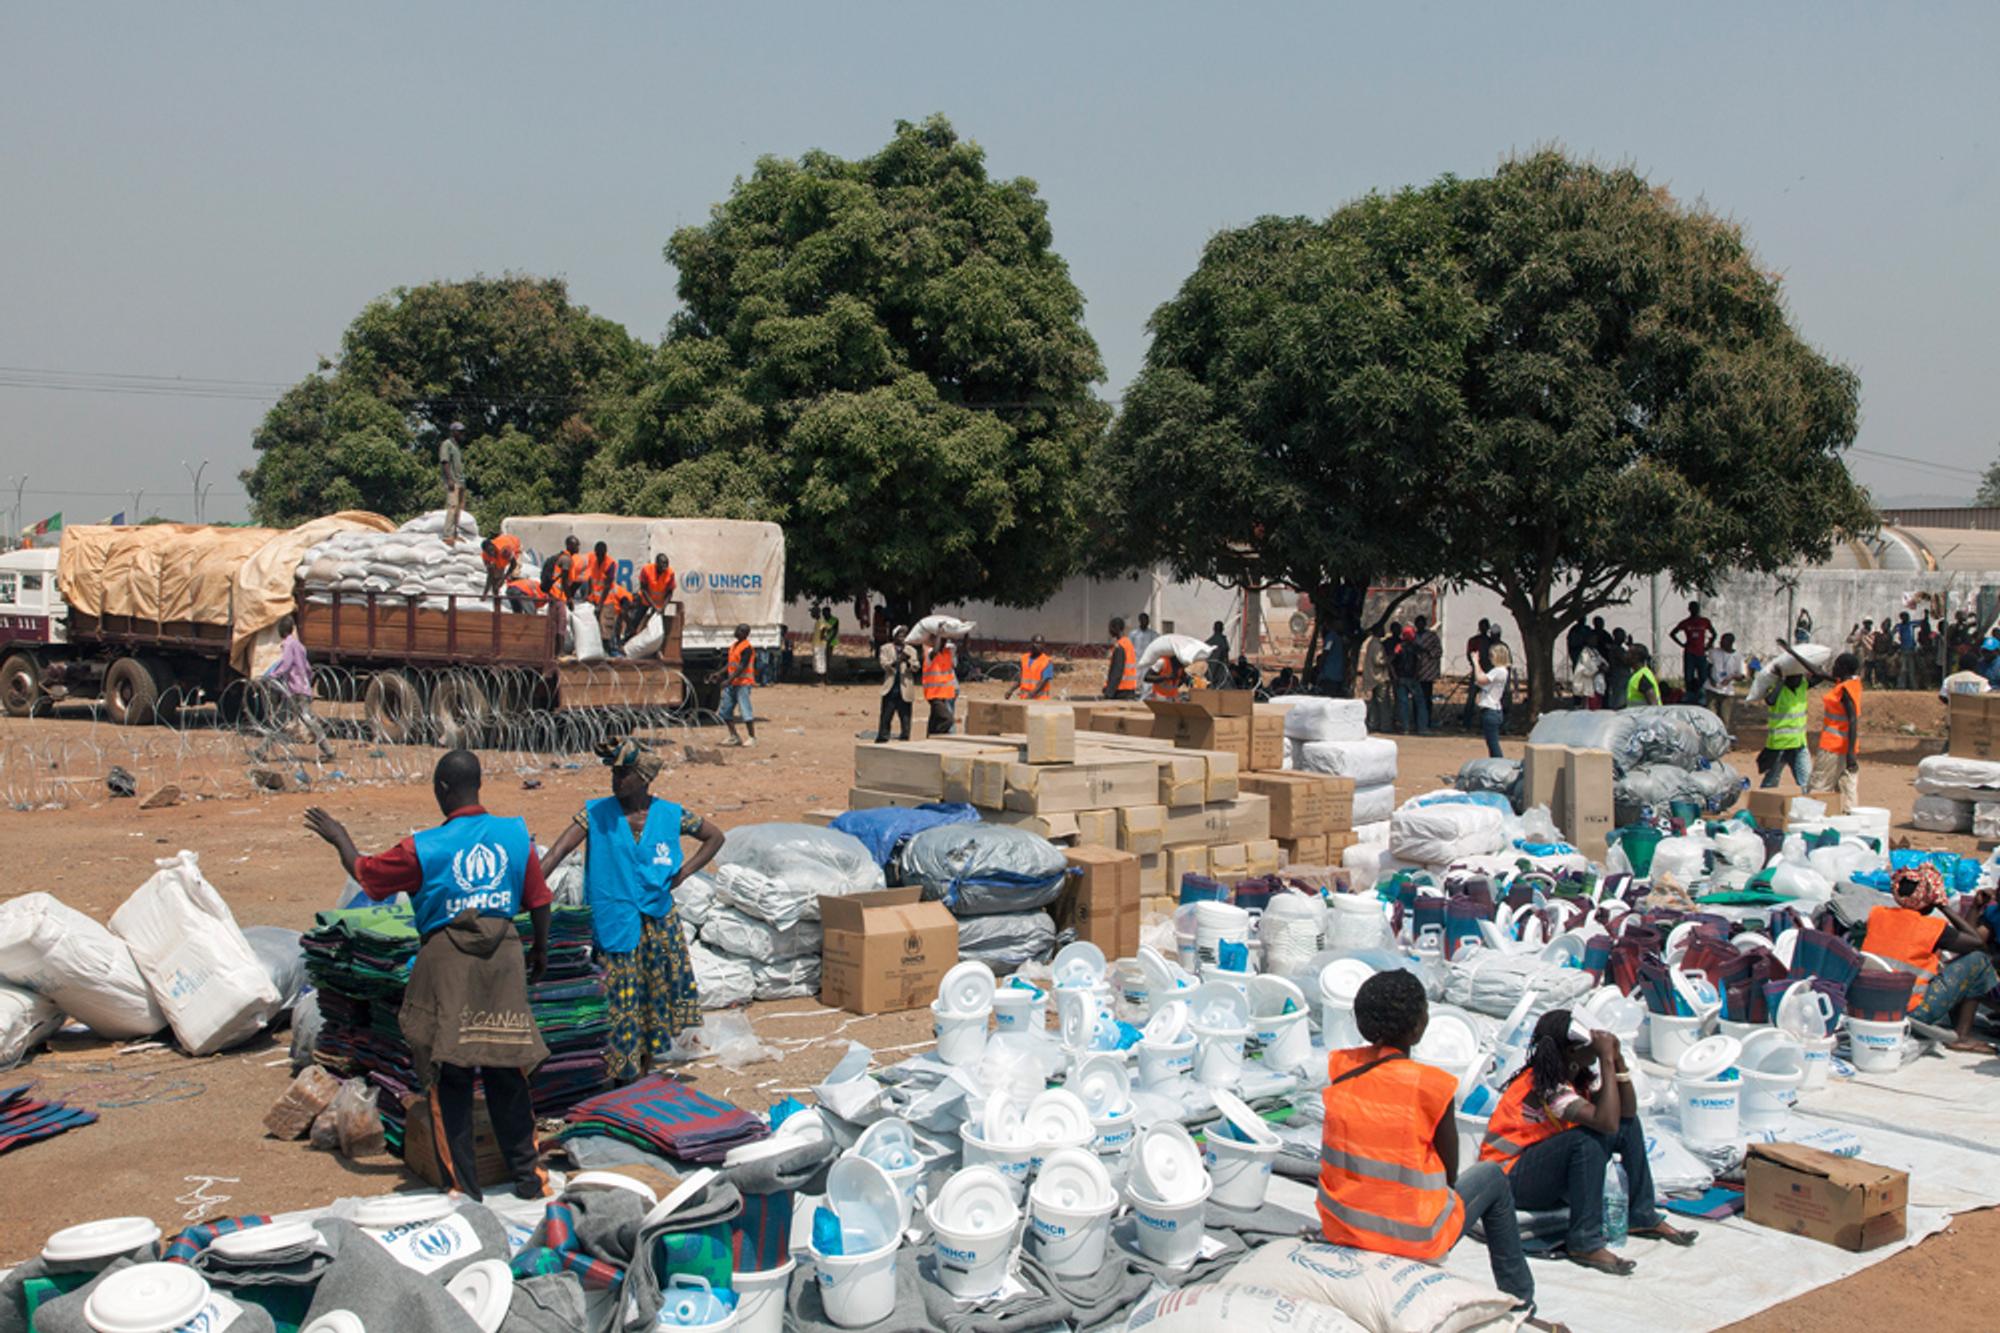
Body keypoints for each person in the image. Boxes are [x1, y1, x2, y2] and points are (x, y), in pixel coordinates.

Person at [304, 750, 552, 1201]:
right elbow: (539, 899)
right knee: (507, 1068)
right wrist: (540, 952)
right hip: (504, 959)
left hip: (448, 963)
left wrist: (340, 838)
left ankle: (465, 1188)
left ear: (441, 790)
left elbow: (366, 874)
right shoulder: (516, 834)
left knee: (449, 1071)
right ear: (479, 784)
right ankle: (528, 1179)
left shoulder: (424, 848)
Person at [1319, 971, 1537, 1316]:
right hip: (1411, 1238)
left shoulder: (1341, 1070)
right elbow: (1448, 1178)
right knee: (1492, 1176)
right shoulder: (1432, 1087)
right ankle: (1522, 1303)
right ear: (1419, 1026)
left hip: (1342, 1226)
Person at [540, 738, 724, 1081]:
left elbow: (715, 837)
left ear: (643, 778)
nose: (615, 780)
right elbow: (557, 853)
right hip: (615, 922)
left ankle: (641, 1071)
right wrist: (530, 890)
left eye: (623, 774)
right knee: (617, 1004)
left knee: (652, 1001)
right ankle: (619, 1078)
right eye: (614, 773)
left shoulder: (671, 814)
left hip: (658, 922)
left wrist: (684, 873)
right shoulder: (595, 813)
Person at [1480, 1010, 1695, 1275]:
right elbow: (1606, 1123)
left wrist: (1618, 1063)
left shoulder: (1575, 1077)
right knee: (1586, 1139)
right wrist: (1605, 1058)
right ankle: (1583, 1240)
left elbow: (1625, 1114)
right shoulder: (1545, 1085)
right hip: (1508, 1176)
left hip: (1537, 1170)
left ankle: (1642, 1215)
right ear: (1571, 1052)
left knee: (1629, 1126)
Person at [1862, 864, 1998, 1053]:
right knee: (1978, 961)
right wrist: (1944, 907)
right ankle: (1962, 1036)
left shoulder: (1878, 915)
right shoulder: (1931, 928)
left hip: (1868, 1002)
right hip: (1912, 1012)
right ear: (1931, 900)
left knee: (1954, 964)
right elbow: (1976, 944)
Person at [259, 614, 335, 762]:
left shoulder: (288, 645)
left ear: (281, 631)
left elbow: (286, 665)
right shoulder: (300, 646)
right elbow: (307, 668)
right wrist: (306, 682)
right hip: (304, 688)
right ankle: (328, 750)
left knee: (281, 721)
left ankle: (261, 751)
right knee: (306, 719)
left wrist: (272, 676)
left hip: (293, 690)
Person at [1810, 650, 1863, 807]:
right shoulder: (1850, 684)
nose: (1833, 668)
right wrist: (1792, 653)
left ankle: (1813, 820)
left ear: (1844, 668)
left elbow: (1852, 720)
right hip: (1844, 748)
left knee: (1820, 786)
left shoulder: (1845, 690)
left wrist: (1851, 755)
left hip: (1833, 747)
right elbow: (1819, 672)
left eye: (1836, 665)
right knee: (1846, 787)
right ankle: (1850, 818)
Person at [1757, 655, 1813, 791]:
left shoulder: (1802, 686)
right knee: (1771, 781)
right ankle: (1762, 808)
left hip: (1799, 744)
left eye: (1801, 675)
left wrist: (1801, 660)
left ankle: (1808, 808)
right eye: (1796, 676)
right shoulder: (1776, 689)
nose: (1799, 679)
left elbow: (1820, 675)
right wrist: (1780, 680)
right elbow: (1770, 701)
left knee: (1806, 781)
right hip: (1779, 746)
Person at [713, 623, 757, 747]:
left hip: (743, 683)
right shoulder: (734, 646)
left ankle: (752, 737)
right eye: (737, 629)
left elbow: (742, 666)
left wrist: (729, 680)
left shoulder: (747, 648)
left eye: (740, 630)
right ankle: (734, 736)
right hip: (733, 683)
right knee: (725, 710)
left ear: (746, 634)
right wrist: (719, 673)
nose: (737, 631)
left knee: (745, 710)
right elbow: (731, 664)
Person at [876, 625, 921, 742]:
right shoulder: (885, 648)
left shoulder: (911, 650)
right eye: (900, 635)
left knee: (906, 718)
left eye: (904, 635)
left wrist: (908, 662)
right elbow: (884, 665)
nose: (902, 638)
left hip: (905, 690)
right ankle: (882, 739)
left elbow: (916, 667)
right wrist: (897, 661)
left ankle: (905, 739)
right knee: (886, 716)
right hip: (890, 689)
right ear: (894, 636)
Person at [1473, 644, 1511, 759]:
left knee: (1493, 743)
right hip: (1493, 710)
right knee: (1491, 743)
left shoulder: (1499, 671)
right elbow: (1481, 677)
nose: (1490, 658)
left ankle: (1499, 766)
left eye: (1492, 656)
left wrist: (1475, 663)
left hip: (1491, 711)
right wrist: (1477, 663)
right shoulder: (1500, 671)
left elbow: (1480, 679)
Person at [1669, 602, 1713, 701]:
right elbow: (1672, 633)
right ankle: (1690, 695)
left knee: (1703, 676)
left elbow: (1714, 633)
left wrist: (1709, 645)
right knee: (1689, 676)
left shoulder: (1705, 621)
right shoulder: (1685, 622)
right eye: (1692, 608)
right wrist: (1682, 644)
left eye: (1696, 608)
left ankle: (1702, 695)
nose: (1695, 610)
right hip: (1689, 653)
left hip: (1701, 653)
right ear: (1689, 609)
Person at [1705, 632, 1745, 724]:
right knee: (1710, 716)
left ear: (1730, 643)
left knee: (1724, 717)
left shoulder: (1738, 656)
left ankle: (1723, 736)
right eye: (1721, 641)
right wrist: (1711, 679)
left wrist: (1731, 678)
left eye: (1724, 641)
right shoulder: (1714, 652)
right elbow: (1708, 666)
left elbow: (1742, 675)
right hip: (1712, 688)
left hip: (1727, 691)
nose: (1721, 643)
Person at [439, 421, 468, 544]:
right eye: (459, 431)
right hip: (453, 481)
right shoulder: (447, 444)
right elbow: (445, 462)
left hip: (460, 481)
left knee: (459, 509)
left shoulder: (456, 446)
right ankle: (447, 535)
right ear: (453, 432)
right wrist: (449, 479)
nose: (461, 434)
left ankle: (455, 533)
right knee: (452, 506)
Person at [1411, 615, 1442, 735]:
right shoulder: (1413, 637)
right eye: (1417, 623)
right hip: (1415, 673)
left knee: (1426, 699)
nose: (1419, 625)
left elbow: (1438, 651)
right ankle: (1416, 722)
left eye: (1421, 623)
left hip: (1428, 673)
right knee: (1415, 700)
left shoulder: (1432, 636)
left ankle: (1427, 721)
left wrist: (1426, 651)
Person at [923, 637, 959, 735]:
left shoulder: (946, 654)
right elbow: (935, 651)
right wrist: (939, 633)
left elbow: (954, 650)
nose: (943, 643)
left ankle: (930, 736)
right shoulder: (930, 654)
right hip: (933, 695)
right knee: (948, 719)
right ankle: (937, 735)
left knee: (934, 719)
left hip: (944, 694)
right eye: (941, 641)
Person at [1462, 619, 1493, 727]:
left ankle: (1484, 722)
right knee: (1471, 698)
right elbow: (1469, 654)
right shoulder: (1474, 641)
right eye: (1482, 626)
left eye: (1486, 626)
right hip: (1477, 672)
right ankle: (1467, 722)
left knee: (1487, 698)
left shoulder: (1491, 641)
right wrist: (1475, 665)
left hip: (1488, 673)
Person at [1008, 635, 1055, 701]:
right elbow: (1020, 678)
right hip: (1024, 698)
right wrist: (1010, 690)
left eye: (1040, 643)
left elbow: (1043, 682)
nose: (1037, 645)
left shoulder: (1047, 661)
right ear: (1031, 644)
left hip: (1040, 700)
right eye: (1035, 643)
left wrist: (1030, 696)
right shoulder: (1024, 658)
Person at [1393, 624, 1420, 734]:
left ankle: (1406, 727)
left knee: (1403, 703)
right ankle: (1421, 726)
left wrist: (1394, 675)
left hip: (1401, 678)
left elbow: (1392, 661)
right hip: (1412, 678)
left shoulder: (1399, 647)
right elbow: (1419, 662)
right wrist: (1416, 674)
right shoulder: (1415, 647)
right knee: (1419, 702)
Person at [1104, 618, 1138, 700]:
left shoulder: (1120, 646)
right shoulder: (1128, 643)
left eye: (1110, 628)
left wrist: (1109, 693)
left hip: (1121, 691)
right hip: (1129, 689)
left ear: (1116, 629)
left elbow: (1117, 671)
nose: (1109, 631)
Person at [813, 604, 839, 685]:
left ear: (829, 612)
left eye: (825, 612)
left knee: (826, 661)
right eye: (823, 613)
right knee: (824, 661)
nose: (824, 614)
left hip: (831, 642)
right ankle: (825, 678)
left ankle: (826, 678)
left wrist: (828, 640)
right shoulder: (823, 620)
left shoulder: (834, 620)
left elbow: (834, 631)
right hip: (824, 642)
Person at [1894, 611, 1921, 689]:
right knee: (1903, 669)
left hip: (1911, 649)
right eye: (1905, 617)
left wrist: (1926, 616)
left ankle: (1913, 686)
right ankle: (1901, 686)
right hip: (1903, 649)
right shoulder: (1899, 626)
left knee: (1911, 669)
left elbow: (1922, 622)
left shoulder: (1911, 624)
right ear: (1902, 618)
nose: (1907, 618)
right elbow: (1893, 632)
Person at [1205, 620, 1231, 688]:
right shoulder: (1223, 641)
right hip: (1220, 670)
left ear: (1213, 629)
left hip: (1209, 671)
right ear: (1222, 629)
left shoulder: (1208, 642)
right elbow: (1226, 656)